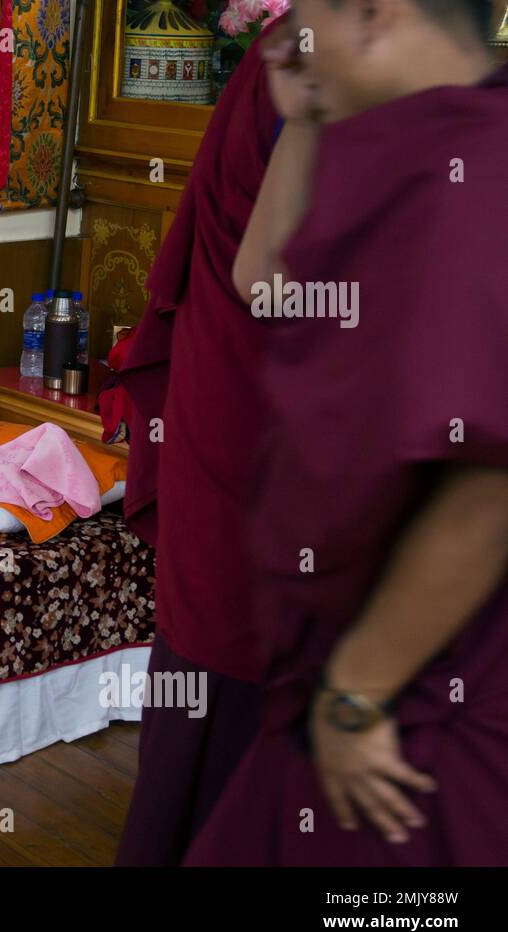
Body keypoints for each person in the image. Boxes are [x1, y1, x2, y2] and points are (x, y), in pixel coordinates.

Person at [187, 0, 508, 865]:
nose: (289, 47)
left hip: (420, 687)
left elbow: (489, 486)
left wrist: (358, 695)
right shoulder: (405, 152)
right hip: (349, 659)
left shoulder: (476, 174)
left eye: (308, 20)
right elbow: (274, 283)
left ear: (373, 13)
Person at [113, 18, 287, 864]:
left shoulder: (290, 54)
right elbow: (268, 277)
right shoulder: (304, 61)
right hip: (254, 418)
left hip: (231, 410)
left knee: (212, 666)